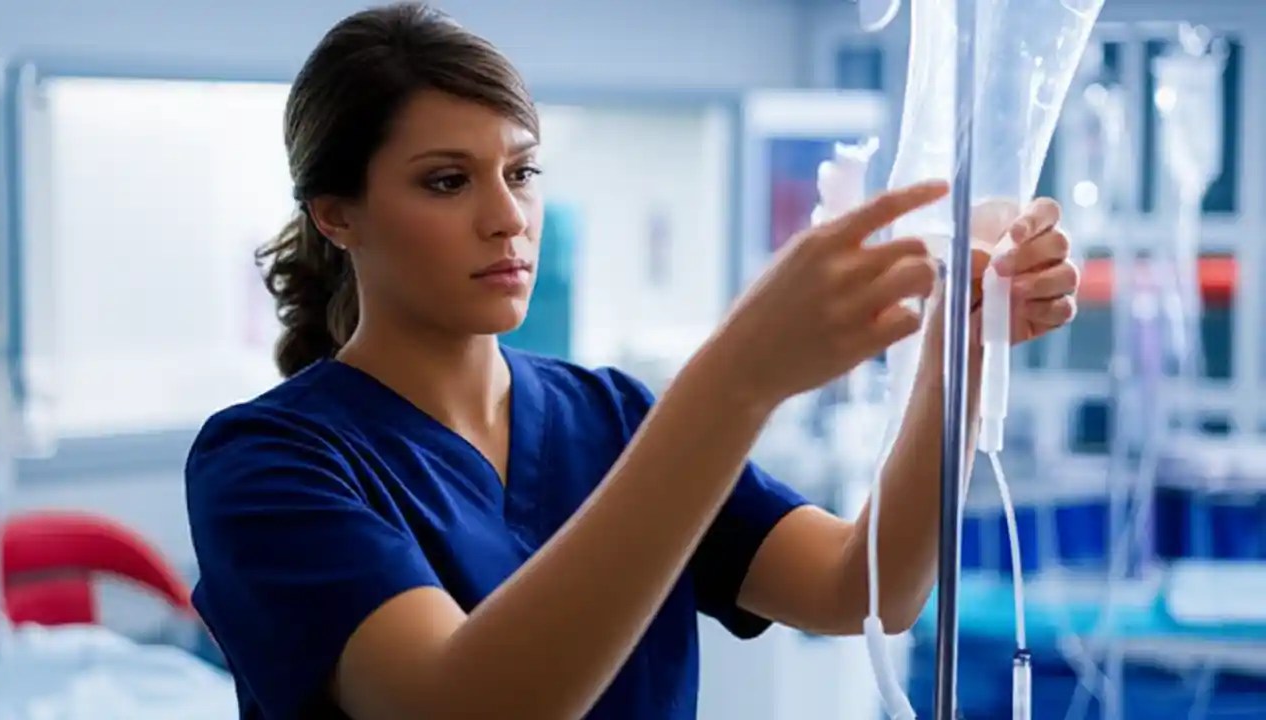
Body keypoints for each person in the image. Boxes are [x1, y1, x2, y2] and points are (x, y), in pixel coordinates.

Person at [184, 3, 1081, 719]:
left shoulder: (609, 416)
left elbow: (859, 589)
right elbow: (462, 704)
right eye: (447, 181)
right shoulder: (268, 466)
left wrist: (952, 357)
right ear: (337, 215)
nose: (508, 217)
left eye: (523, 172)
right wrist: (738, 377)